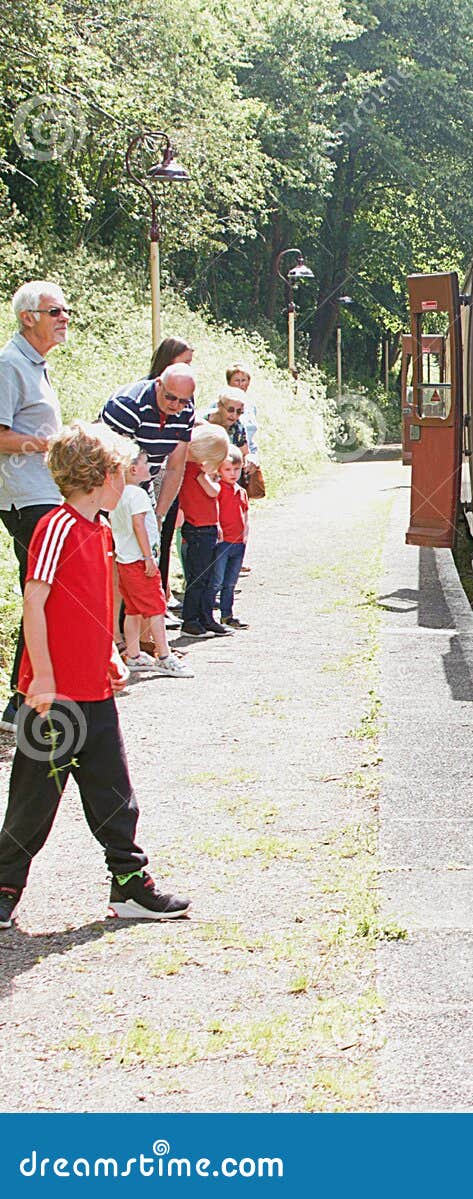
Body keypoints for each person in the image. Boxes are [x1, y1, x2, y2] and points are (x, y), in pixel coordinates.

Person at [0, 421, 190, 929]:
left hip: (95, 691)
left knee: (114, 792)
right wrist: (40, 678)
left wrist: (108, 649)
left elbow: (91, 603)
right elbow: (34, 603)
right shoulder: (56, 526)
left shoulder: (101, 529)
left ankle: (130, 883)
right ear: (103, 475)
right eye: (124, 472)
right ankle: (3, 887)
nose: (128, 480)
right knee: (32, 802)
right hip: (54, 697)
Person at [0, 281, 70, 735]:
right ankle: (20, 705)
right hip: (24, 496)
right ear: (28, 317)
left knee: (51, 593)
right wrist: (50, 444)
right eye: (55, 311)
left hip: (44, 491)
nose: (65, 318)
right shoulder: (9, 365)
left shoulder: (36, 365)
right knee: (42, 594)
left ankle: (33, 697)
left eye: (66, 311)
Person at [99, 362, 197, 592]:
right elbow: (111, 463)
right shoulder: (127, 406)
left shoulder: (185, 410)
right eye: (171, 398)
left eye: (184, 401)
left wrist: (159, 515)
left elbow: (175, 467)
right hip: (110, 486)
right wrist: (125, 515)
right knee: (116, 557)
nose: (177, 406)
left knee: (145, 558)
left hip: (143, 483)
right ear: (158, 384)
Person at [108, 449, 190, 676]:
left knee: (133, 610)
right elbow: (138, 525)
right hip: (139, 561)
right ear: (134, 469)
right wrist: (148, 557)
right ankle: (164, 654)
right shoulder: (138, 495)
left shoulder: (118, 494)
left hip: (124, 560)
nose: (151, 468)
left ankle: (133, 654)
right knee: (156, 608)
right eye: (146, 464)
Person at [177, 423, 230, 638]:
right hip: (198, 530)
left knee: (205, 578)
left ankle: (204, 617)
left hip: (206, 528)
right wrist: (214, 479)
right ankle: (191, 620)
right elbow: (213, 492)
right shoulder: (193, 471)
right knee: (199, 579)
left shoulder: (190, 469)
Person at [212, 446, 249, 629]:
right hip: (223, 542)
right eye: (228, 469)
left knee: (231, 582)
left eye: (236, 469)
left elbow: (245, 514)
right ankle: (207, 615)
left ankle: (227, 615)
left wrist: (245, 536)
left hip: (238, 542)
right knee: (216, 581)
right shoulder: (218, 489)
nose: (233, 473)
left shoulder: (241, 491)